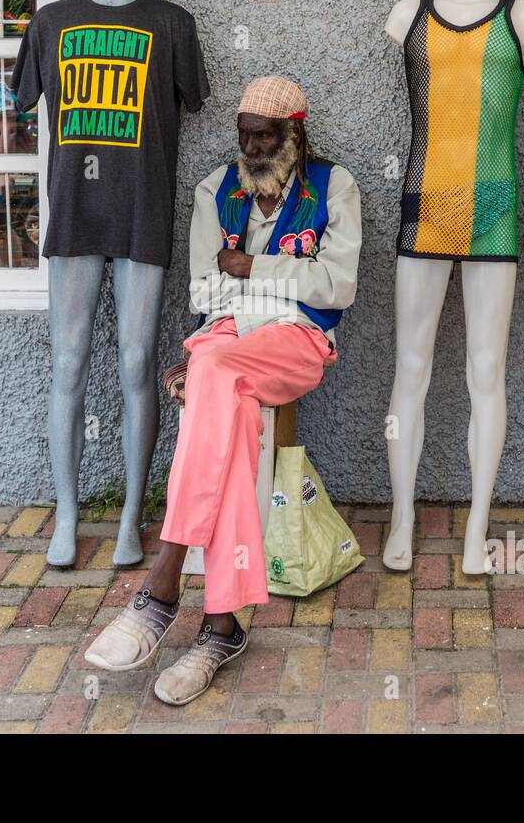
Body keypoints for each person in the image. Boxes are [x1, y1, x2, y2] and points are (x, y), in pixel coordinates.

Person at [84, 76, 362, 705]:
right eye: (244, 135)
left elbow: (337, 288)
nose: (252, 146)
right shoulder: (217, 190)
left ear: (294, 135)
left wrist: (254, 269)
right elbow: (205, 292)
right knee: (224, 394)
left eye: (264, 136)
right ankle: (221, 627)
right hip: (224, 337)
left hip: (296, 339)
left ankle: (162, 582)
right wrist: (287, 278)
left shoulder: (333, 187)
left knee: (214, 374)